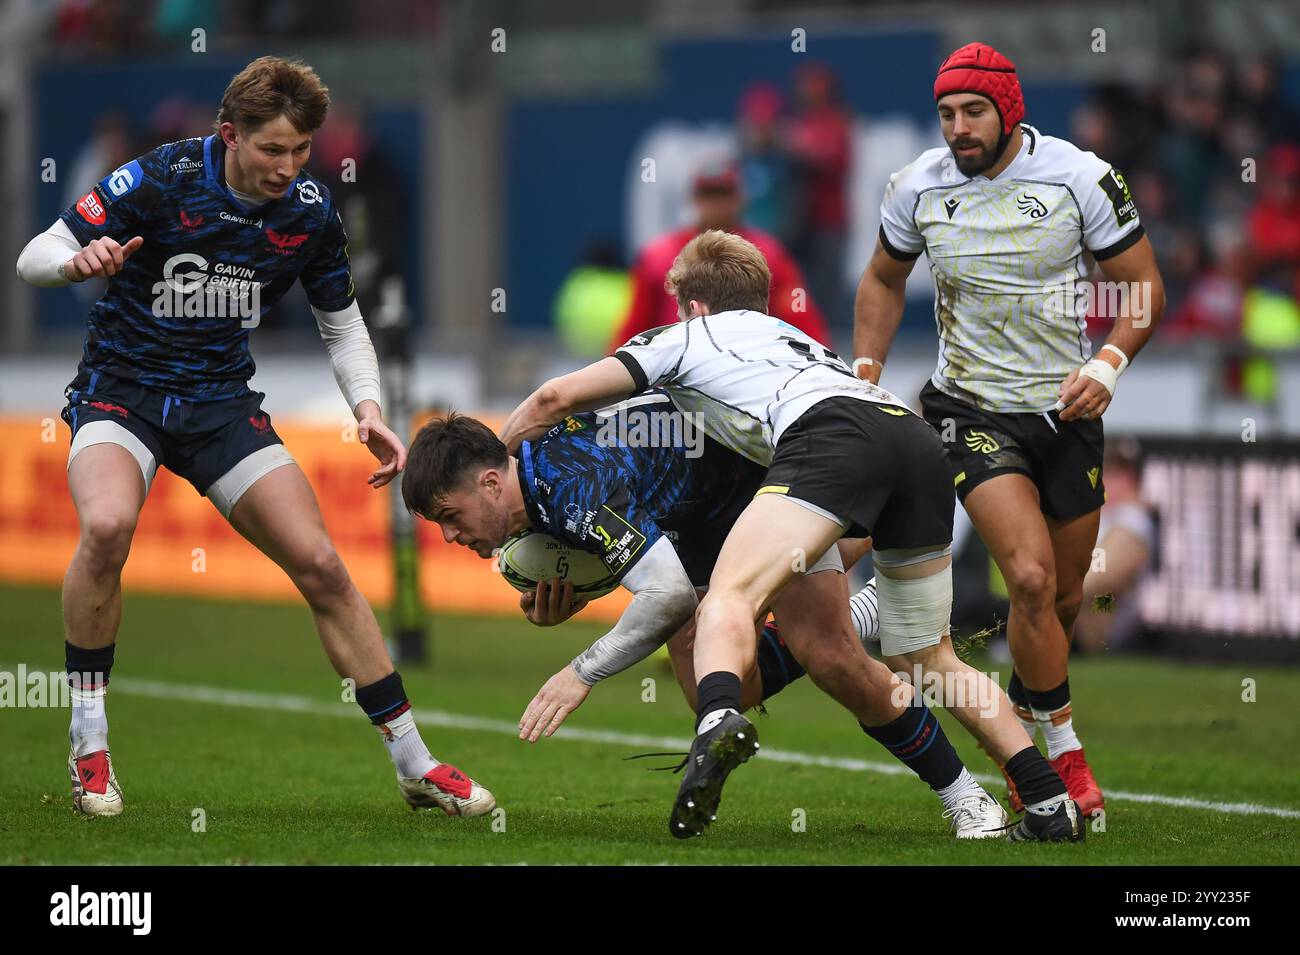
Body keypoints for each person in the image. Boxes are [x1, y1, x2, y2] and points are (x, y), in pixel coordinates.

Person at [15, 56, 493, 819]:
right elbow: (32, 255)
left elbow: (342, 323)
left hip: (218, 404)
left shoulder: (308, 211)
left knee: (323, 564)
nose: (289, 166)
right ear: (230, 134)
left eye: (302, 149)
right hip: (122, 391)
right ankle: (89, 744)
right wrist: (77, 261)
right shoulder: (161, 178)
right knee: (106, 527)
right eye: (273, 149)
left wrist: (367, 407)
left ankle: (414, 762)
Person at [500, 229, 1085, 842]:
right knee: (926, 659)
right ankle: (1047, 802)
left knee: (727, 602)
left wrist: (497, 450)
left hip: (824, 444)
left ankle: (721, 720)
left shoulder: (682, 338)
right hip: (908, 437)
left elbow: (553, 397)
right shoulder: (795, 338)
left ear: (692, 307)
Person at [401, 401, 1010, 839]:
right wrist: (574, 601)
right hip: (703, 523)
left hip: (766, 493)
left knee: (834, 660)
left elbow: (664, 594)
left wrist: (581, 672)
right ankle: (857, 609)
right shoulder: (536, 483)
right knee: (714, 684)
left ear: (489, 482)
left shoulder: (566, 486)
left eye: (451, 517)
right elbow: (638, 546)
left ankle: (966, 798)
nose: (451, 536)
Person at [852, 42, 1166, 816]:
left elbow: (1144, 286)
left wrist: (1109, 364)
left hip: (1067, 410)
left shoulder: (1081, 177)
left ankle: (1029, 724)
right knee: (1025, 578)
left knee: (1059, 603)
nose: (958, 128)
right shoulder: (915, 188)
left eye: (973, 112)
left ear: (1008, 109)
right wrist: (864, 372)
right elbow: (884, 278)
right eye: (947, 114)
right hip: (970, 409)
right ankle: (1063, 761)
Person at [608, 161, 831, 351]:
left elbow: (798, 312)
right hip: (674, 372)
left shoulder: (768, 253)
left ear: (740, 199)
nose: (716, 205)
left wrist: (820, 359)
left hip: (749, 365)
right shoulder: (657, 256)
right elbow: (635, 324)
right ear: (695, 200)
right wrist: (615, 369)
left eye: (723, 195)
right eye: (708, 195)